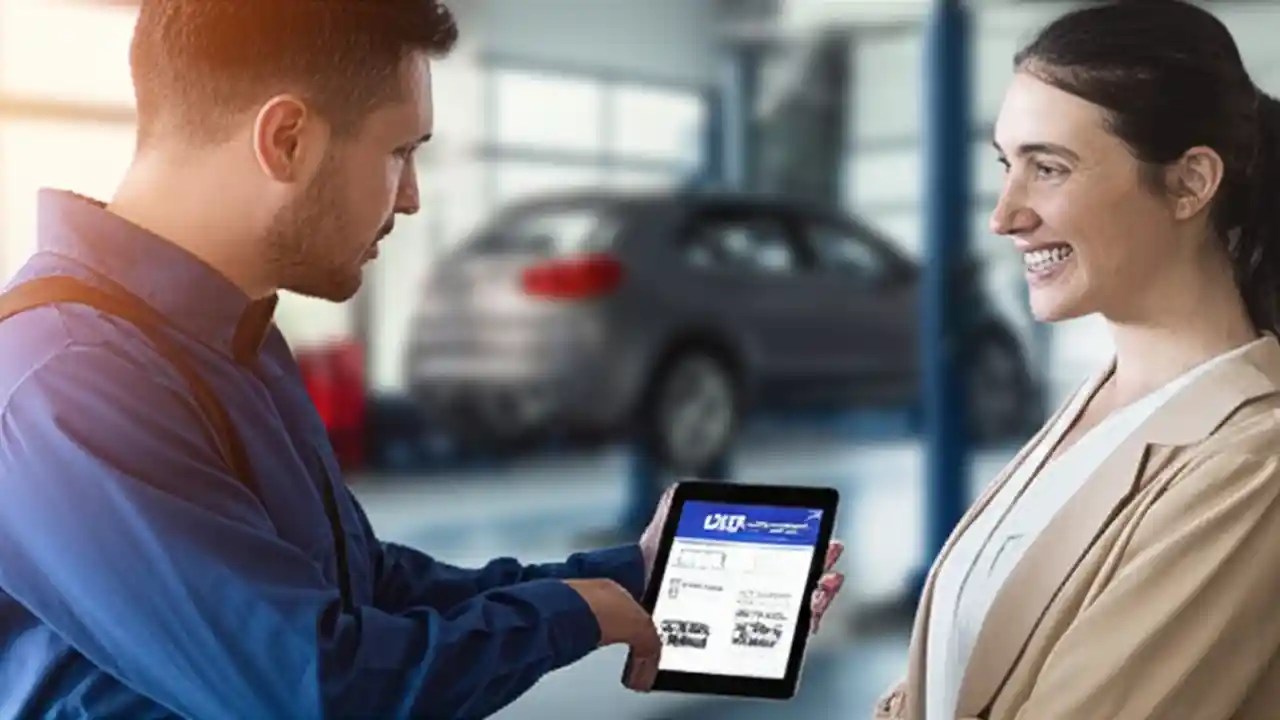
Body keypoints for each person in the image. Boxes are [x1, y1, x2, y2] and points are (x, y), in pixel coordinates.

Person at [0, 2, 848, 718]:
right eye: (401, 152)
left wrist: (631, 574)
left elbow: (365, 592)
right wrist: (572, 615)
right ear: (287, 139)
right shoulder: (65, 379)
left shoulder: (233, 342)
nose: (410, 197)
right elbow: (312, 689)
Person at [875, 2, 1280, 718]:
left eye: (1049, 168)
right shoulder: (1101, 406)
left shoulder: (1253, 462)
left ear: (1190, 183)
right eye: (1007, 164)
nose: (1004, 215)